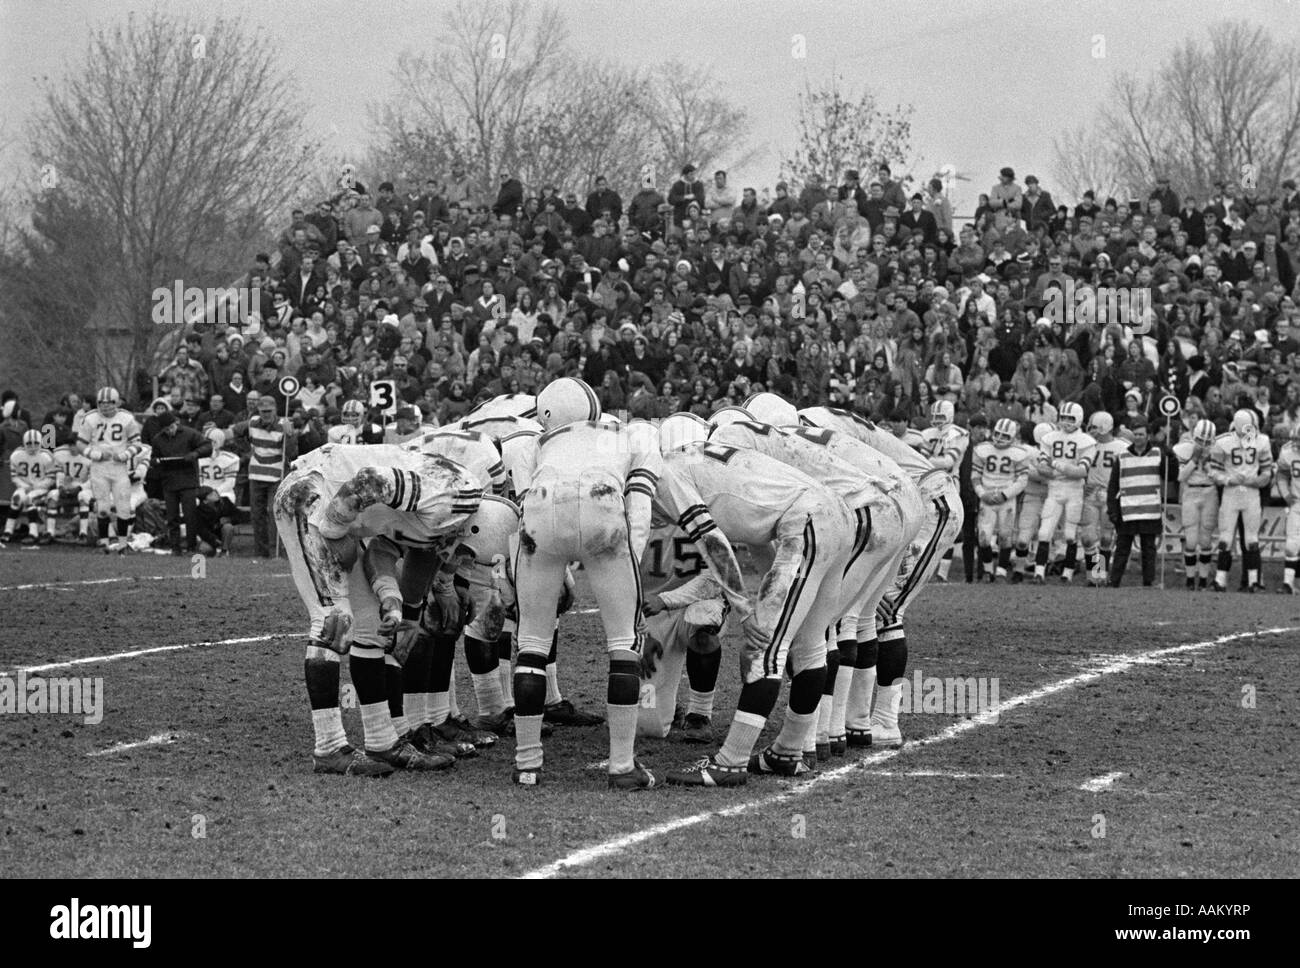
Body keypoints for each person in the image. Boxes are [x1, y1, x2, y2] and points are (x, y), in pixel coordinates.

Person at [274, 443, 492, 776]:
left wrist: (401, 608)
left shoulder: (454, 521)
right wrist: (334, 531)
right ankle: (329, 747)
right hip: (312, 495)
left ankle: (382, 741)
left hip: (345, 511)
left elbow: (386, 549)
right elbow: (369, 480)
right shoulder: (453, 499)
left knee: (370, 627)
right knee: (333, 619)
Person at [509, 377, 662, 790]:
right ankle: (622, 766)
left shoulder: (532, 443)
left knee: (532, 643)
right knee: (623, 643)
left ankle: (527, 764)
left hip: (540, 507)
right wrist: (628, 565)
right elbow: (641, 511)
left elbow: (523, 512)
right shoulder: (634, 432)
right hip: (601, 501)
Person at [1208, 409, 1274, 591]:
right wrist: (1228, 479)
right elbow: (1213, 471)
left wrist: (1259, 481)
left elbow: (1268, 471)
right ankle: (1220, 580)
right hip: (1231, 493)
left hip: (1251, 494)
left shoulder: (1262, 441)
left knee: (1251, 539)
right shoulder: (1223, 442)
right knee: (1225, 538)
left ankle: (1253, 581)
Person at [230, 395, 298, 558]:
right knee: (256, 513)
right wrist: (247, 450)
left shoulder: (283, 425)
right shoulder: (252, 422)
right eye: (263, 411)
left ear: (275, 410)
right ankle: (261, 551)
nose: (266, 414)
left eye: (269, 411)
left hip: (275, 474)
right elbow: (235, 432)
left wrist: (290, 435)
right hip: (256, 473)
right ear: (258, 411)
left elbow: (291, 453)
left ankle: (276, 550)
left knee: (273, 512)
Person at [77, 387, 142, 551]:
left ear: (117, 402)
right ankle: (104, 542)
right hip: (99, 468)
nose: (105, 406)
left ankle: (122, 544)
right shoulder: (90, 418)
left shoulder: (127, 418)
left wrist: (125, 455)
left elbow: (137, 444)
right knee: (103, 507)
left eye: (109, 403)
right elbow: (80, 444)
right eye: (101, 403)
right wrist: (96, 454)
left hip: (119, 468)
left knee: (123, 506)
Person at [1106, 417, 1163, 587]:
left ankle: (1148, 581)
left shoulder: (1158, 453)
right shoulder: (1122, 455)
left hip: (1149, 507)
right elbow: (1113, 485)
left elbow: (1171, 473)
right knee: (1119, 546)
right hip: (1126, 507)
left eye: (1141, 434)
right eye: (1135, 434)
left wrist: (1168, 452)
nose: (1138, 437)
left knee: (1148, 548)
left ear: (1147, 436)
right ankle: (1107, 579)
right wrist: (1112, 509)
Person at [971, 418, 1029, 581]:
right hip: (987, 496)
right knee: (983, 538)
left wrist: (1005, 494)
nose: (999, 438)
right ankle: (989, 571)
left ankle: (1002, 571)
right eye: (997, 434)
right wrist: (982, 493)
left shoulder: (1019, 453)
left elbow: (1022, 480)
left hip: (1006, 498)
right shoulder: (982, 449)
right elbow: (975, 475)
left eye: (1004, 435)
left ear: (1012, 436)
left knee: (1005, 535)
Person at [149, 411, 212, 555]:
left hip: (188, 480)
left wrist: (195, 454)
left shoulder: (190, 434)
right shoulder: (158, 439)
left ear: (175, 424)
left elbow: (207, 447)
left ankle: (191, 546)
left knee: (190, 515)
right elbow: (153, 457)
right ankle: (175, 547)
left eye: (171, 427)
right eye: (165, 429)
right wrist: (155, 461)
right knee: (172, 517)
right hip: (169, 481)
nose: (169, 431)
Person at [1173, 419, 1220, 590]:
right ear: (1194, 437)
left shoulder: (1218, 451)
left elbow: (1219, 477)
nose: (1203, 445)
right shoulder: (1184, 448)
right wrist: (1194, 459)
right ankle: (1190, 579)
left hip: (1209, 492)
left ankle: (1203, 579)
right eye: (1200, 441)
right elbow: (1180, 476)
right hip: (1191, 491)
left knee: (1206, 539)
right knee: (1191, 540)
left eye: (1207, 442)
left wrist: (1207, 464)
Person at [1275, 423, 1300, 593]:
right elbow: (1282, 474)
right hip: (1298, 503)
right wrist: (1285, 494)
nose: (1296, 443)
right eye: (1295, 439)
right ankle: (1288, 584)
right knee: (1292, 545)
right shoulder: (1287, 451)